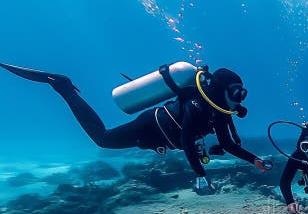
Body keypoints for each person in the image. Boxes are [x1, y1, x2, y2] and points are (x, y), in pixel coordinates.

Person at [1, 63, 270, 194]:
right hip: (150, 126)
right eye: (237, 92)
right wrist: (200, 176)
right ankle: (63, 87)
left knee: (104, 140)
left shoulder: (219, 113)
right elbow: (188, 140)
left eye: (241, 94)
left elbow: (230, 144)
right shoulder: (198, 104)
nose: (239, 99)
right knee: (103, 139)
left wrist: (254, 160)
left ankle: (63, 87)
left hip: (157, 138)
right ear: (221, 89)